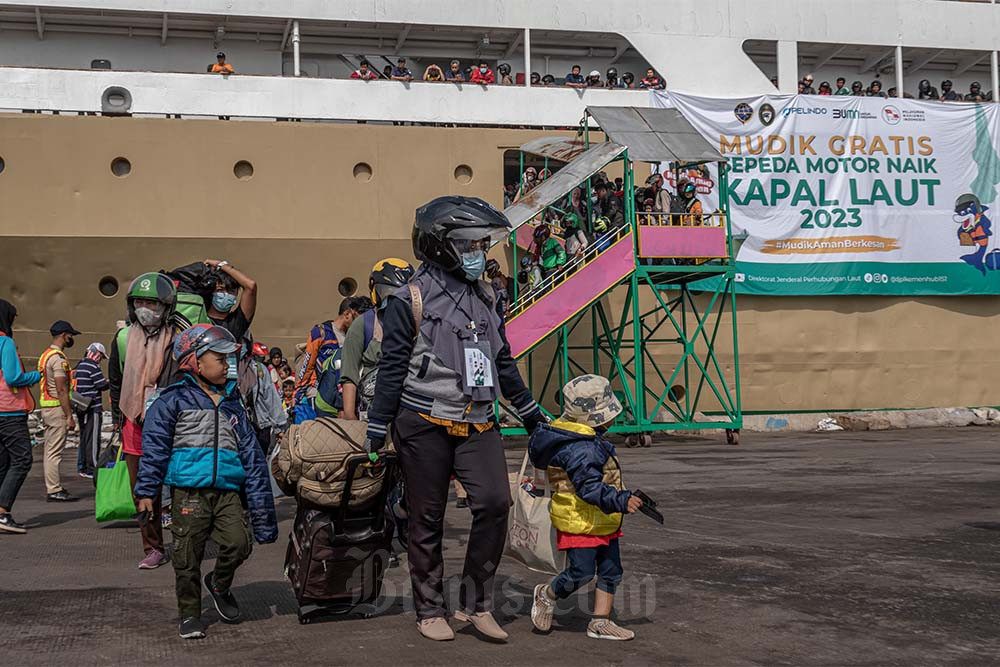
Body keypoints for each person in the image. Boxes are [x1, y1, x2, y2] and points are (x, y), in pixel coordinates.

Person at [365, 196, 545, 642]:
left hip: (479, 419)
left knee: (494, 503)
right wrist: (375, 427)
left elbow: (502, 361)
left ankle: (475, 604)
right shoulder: (409, 299)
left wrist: (530, 413)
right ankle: (430, 609)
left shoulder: (488, 295)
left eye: (482, 244)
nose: (479, 253)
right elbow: (391, 368)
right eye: (470, 244)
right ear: (440, 245)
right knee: (427, 518)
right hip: (421, 420)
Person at [135, 325, 277, 640]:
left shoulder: (233, 404)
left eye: (229, 358)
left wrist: (263, 515)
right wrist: (147, 491)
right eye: (219, 357)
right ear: (194, 361)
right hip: (188, 494)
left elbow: (252, 458)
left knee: (239, 543)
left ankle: (219, 583)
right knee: (186, 557)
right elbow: (155, 448)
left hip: (227, 493)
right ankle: (189, 613)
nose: (227, 364)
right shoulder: (172, 401)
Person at [528, 374, 642, 641]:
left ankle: (600, 621)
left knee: (611, 570)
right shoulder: (582, 448)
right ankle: (547, 594)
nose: (614, 417)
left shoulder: (588, 440)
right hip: (580, 519)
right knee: (580, 572)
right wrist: (621, 500)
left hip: (601, 517)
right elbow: (589, 488)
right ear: (595, 417)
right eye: (609, 412)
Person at [109, 272, 181, 569]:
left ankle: (187, 540)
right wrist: (117, 417)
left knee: (180, 486)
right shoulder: (124, 338)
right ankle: (153, 546)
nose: (145, 308)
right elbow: (115, 379)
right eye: (139, 301)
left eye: (151, 302)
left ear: (166, 307)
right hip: (134, 424)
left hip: (172, 424)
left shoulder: (177, 338)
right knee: (142, 489)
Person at [340, 259, 414, 421]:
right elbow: (349, 376)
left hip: (409, 412)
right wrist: (351, 418)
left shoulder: (419, 324)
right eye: (388, 293)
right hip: (372, 412)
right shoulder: (363, 325)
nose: (396, 300)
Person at [0, 300, 41, 533]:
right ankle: (3, 512)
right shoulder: (4, 342)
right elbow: (14, 377)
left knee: (3, 462)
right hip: (9, 411)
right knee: (22, 460)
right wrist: (37, 375)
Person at [39, 320, 80, 502]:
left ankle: (52, 486)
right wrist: (69, 415)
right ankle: (54, 489)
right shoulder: (58, 359)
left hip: (47, 407)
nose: (71, 339)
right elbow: (62, 389)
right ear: (64, 335)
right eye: (70, 335)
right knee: (54, 452)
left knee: (49, 450)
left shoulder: (45, 355)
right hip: (56, 408)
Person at [295, 297, 364, 398]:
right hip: (320, 393)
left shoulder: (353, 336)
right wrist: (298, 393)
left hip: (344, 393)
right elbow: (307, 364)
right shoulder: (320, 332)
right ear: (347, 314)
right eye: (356, 319)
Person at [73, 342, 109, 479]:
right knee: (93, 440)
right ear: (96, 353)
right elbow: (101, 385)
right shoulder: (93, 366)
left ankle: (82, 466)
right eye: (101, 357)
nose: (101, 360)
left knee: (84, 438)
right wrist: (111, 382)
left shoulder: (80, 364)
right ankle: (92, 469)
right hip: (93, 408)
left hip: (81, 406)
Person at [203, 260, 257, 345]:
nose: (225, 294)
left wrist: (220, 264)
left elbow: (250, 286)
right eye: (220, 290)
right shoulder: (199, 317)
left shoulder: (237, 323)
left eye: (231, 291)